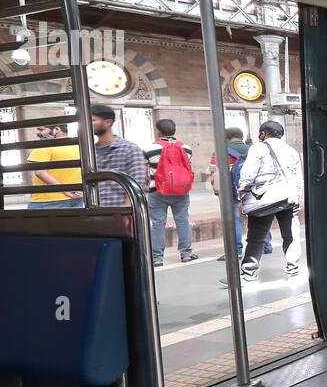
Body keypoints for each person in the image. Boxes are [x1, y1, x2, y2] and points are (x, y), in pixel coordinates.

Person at [226, 119, 303, 285]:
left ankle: (249, 273)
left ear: (263, 133)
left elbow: (248, 174)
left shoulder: (258, 148)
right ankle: (293, 269)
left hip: (264, 200)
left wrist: (242, 193)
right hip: (289, 198)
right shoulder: (291, 151)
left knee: (257, 237)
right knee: (290, 235)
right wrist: (298, 198)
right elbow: (298, 179)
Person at [209, 128, 272, 261]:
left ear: (226, 137)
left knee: (234, 218)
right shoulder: (253, 149)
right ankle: (266, 245)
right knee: (258, 215)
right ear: (241, 137)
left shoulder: (220, 151)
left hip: (231, 188)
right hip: (252, 187)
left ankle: (236, 250)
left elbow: (214, 173)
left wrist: (217, 190)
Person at [146, 118, 198, 267]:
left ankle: (157, 258)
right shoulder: (186, 148)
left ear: (159, 131)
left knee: (157, 223)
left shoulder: (150, 148)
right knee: (182, 221)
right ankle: (186, 253)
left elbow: (146, 168)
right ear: (174, 131)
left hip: (157, 191)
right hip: (181, 190)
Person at [91, 106, 149, 208]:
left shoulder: (129, 149)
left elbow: (137, 183)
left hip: (120, 212)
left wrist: (127, 212)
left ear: (107, 122)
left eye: (93, 120)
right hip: (96, 210)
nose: (88, 124)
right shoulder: (91, 152)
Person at [26, 123, 83, 209]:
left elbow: (39, 172)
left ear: (57, 129)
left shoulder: (45, 144)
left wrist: (66, 190)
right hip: (76, 197)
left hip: (47, 201)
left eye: (41, 130)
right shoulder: (78, 145)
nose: (39, 133)